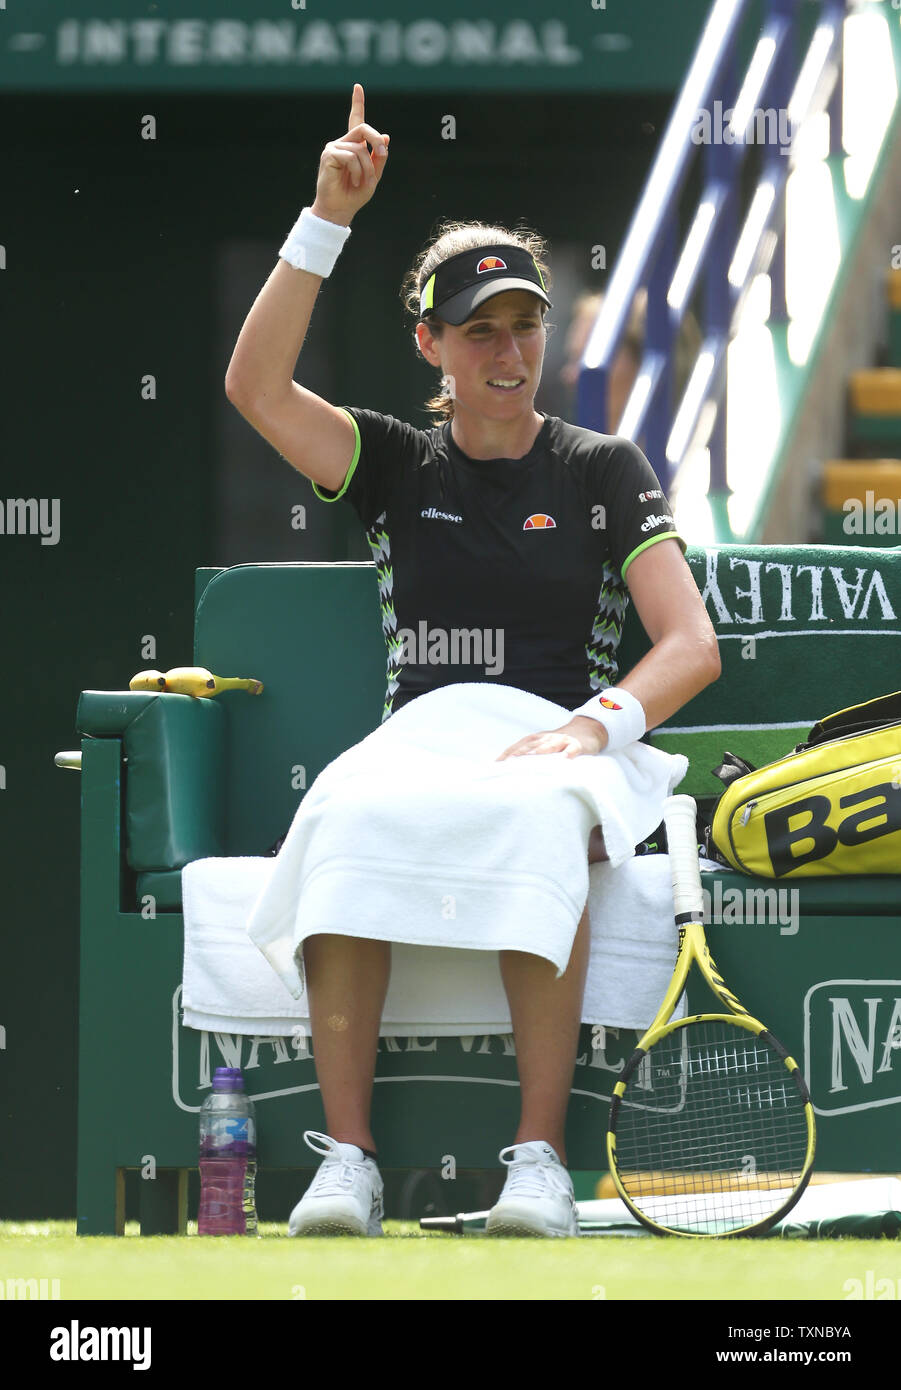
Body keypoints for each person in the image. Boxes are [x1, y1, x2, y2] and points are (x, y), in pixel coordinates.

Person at [224, 83, 721, 1239]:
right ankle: (345, 1164)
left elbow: (687, 645)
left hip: (568, 738)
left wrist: (592, 726)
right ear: (432, 344)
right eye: (481, 329)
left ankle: (537, 1161)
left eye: (525, 324)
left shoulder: (602, 467)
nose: (509, 350)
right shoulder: (390, 460)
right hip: (422, 736)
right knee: (342, 807)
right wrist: (326, 219)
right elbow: (253, 388)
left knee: (543, 810)